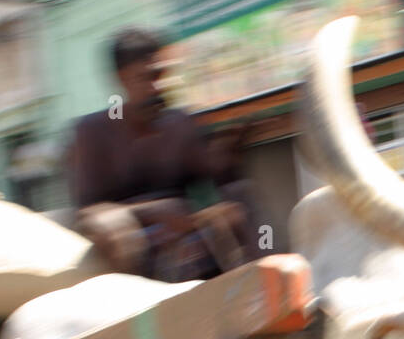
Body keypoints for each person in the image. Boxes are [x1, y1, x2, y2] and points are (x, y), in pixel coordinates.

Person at [68, 27, 260, 282]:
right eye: (147, 77)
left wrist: (227, 151)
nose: (158, 86)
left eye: (163, 75)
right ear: (121, 79)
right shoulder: (92, 132)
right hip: (131, 243)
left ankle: (262, 288)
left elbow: (214, 178)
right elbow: (86, 213)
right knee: (111, 227)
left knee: (236, 199)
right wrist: (150, 212)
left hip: (189, 233)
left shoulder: (179, 123)